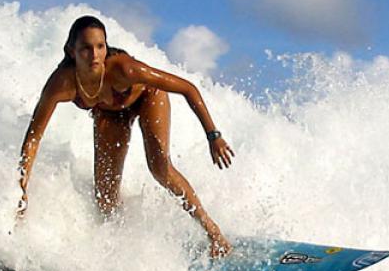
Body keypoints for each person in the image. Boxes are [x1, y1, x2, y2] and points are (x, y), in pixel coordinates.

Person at [16, 15, 235, 257]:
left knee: (160, 168)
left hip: (147, 98)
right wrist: (22, 188)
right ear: (71, 51)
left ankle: (214, 234)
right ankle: (127, 246)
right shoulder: (61, 84)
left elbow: (187, 88)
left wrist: (213, 135)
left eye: (100, 46)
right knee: (105, 197)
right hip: (109, 113)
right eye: (86, 48)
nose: (95, 55)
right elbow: (33, 138)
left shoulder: (125, 69)